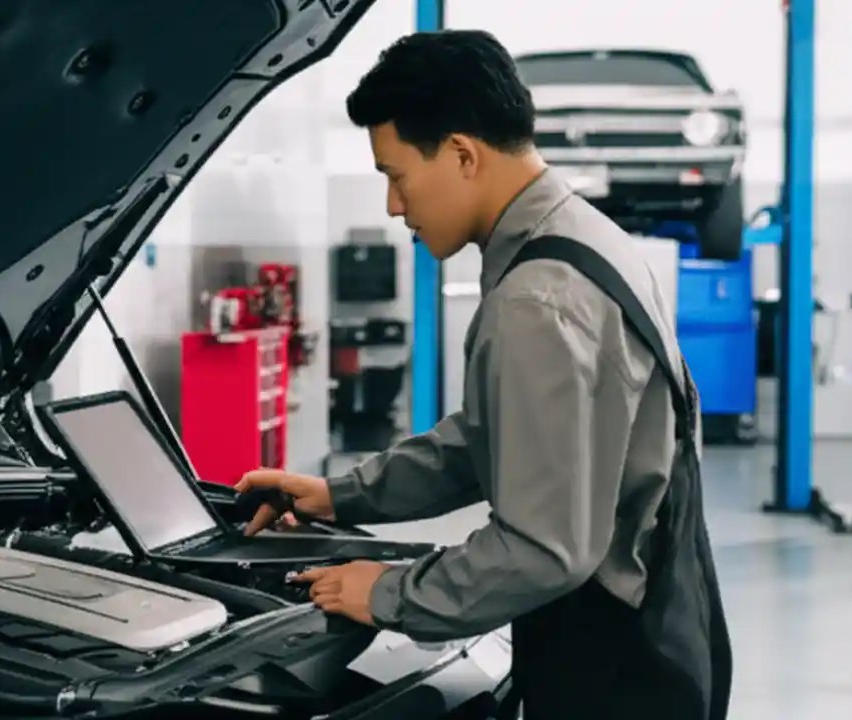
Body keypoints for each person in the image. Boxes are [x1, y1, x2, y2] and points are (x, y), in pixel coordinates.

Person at [234, 30, 731, 720]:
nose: (393, 207)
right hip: (658, 634)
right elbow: (496, 437)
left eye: (396, 175)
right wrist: (336, 495)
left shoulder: (537, 298)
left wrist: (384, 592)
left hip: (612, 670)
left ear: (463, 154)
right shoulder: (588, 238)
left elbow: (543, 550)